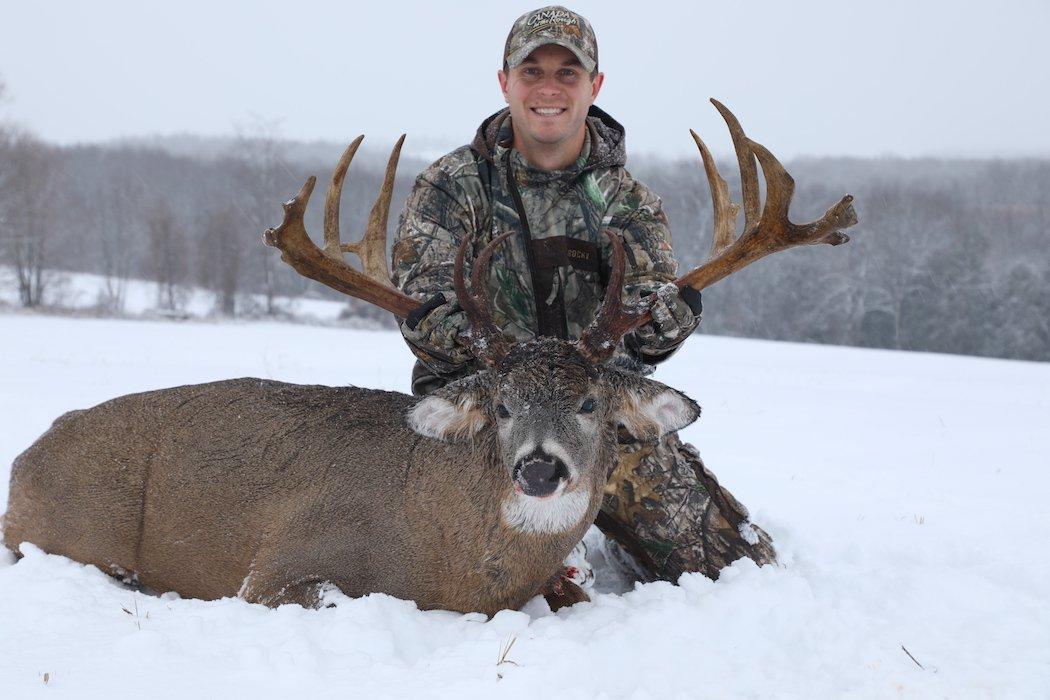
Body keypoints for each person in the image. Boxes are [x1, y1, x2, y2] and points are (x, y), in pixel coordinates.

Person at [391, 6, 775, 584]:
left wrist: (664, 323)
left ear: (594, 86)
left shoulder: (629, 201)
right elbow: (425, 314)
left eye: (568, 73)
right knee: (510, 582)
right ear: (505, 82)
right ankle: (553, 559)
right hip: (487, 418)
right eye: (532, 72)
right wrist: (457, 332)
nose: (549, 89)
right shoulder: (450, 187)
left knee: (731, 571)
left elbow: (644, 333)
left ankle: (617, 539)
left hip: (591, 415)